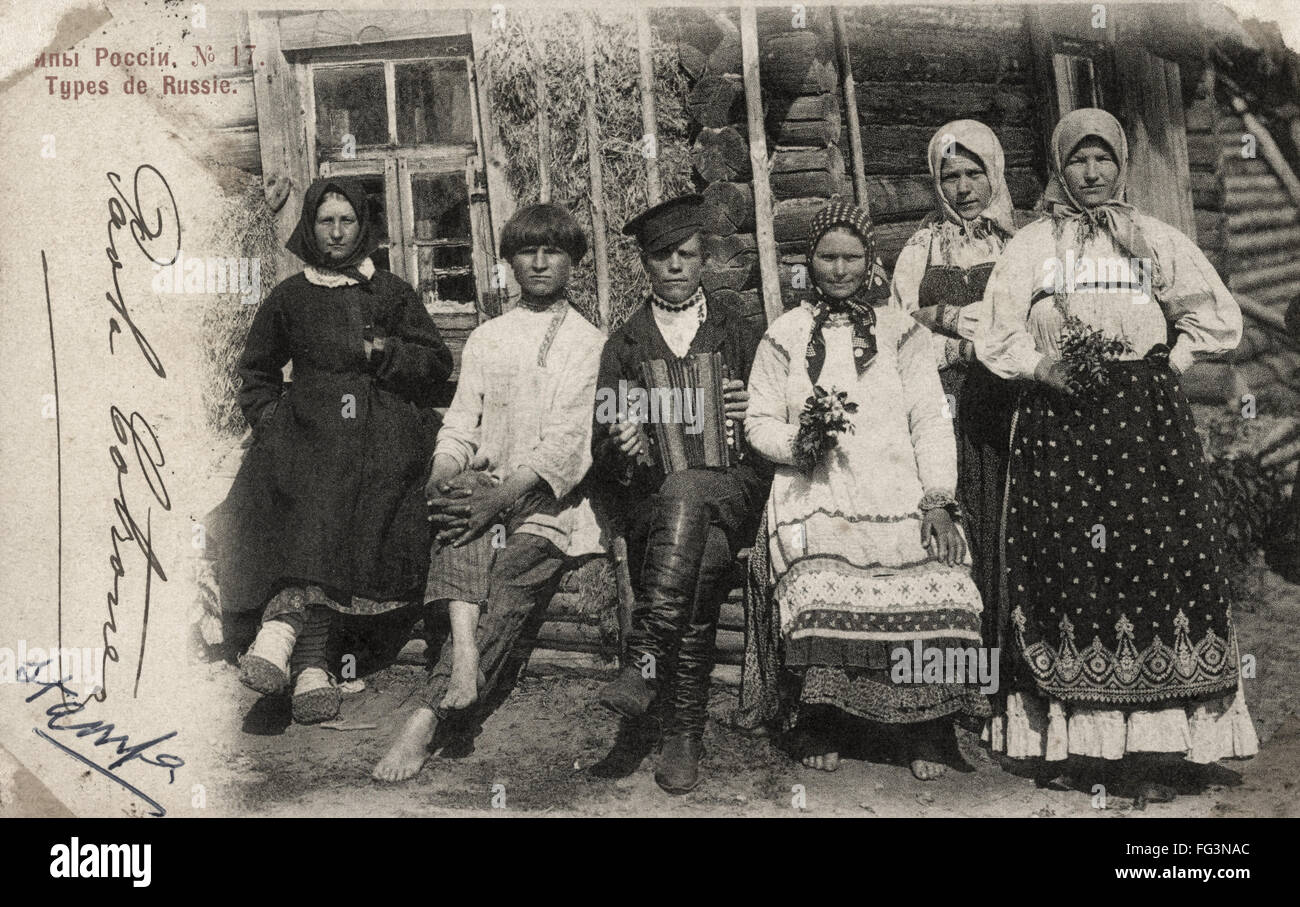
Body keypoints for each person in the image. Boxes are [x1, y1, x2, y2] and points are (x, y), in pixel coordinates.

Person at [976, 108, 1258, 796]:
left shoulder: (1151, 238)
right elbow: (995, 331)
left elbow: (1217, 314)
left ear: (1121, 164)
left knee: (1153, 569)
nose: (1092, 173)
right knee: (1069, 573)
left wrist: (1171, 360)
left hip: (1146, 431)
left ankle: (1155, 750)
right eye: (1079, 161)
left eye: (1104, 159)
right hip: (1060, 428)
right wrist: (1043, 369)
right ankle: (1080, 745)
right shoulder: (1032, 245)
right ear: (1060, 167)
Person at [742, 198, 990, 780]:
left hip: (897, 488)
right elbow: (757, 422)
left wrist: (936, 499)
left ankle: (926, 723)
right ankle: (823, 719)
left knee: (943, 576)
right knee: (820, 578)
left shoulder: (901, 333)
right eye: (827, 257)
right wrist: (798, 443)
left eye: (851, 257)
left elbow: (931, 419)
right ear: (809, 262)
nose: (839, 269)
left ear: (869, 261)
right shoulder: (784, 334)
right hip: (814, 487)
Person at [372, 203, 605, 782]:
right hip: (487, 491)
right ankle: (465, 659)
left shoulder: (590, 343)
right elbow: (460, 425)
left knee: (506, 578)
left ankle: (424, 721)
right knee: (460, 507)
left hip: (550, 502)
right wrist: (442, 476)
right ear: (509, 261)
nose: (541, 262)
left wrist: (498, 501)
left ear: (573, 260)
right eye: (528, 251)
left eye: (554, 251)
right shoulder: (486, 337)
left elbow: (567, 447)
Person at [223, 177, 453, 723]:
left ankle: (285, 639)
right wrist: (272, 419)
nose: (336, 231)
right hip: (307, 427)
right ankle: (309, 666)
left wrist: (388, 352)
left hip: (382, 432)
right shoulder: (290, 297)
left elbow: (438, 366)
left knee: (337, 484)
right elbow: (255, 371)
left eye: (347, 220)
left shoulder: (392, 291)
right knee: (298, 480)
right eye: (326, 220)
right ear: (310, 225)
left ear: (363, 226)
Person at [592, 194, 767, 794]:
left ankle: (642, 660)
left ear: (703, 259)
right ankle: (683, 733)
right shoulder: (626, 343)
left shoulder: (738, 331)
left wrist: (754, 412)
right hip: (654, 505)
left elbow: (777, 424)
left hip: (733, 488)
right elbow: (602, 448)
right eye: (661, 256)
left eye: (685, 255)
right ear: (644, 263)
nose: (674, 267)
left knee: (693, 486)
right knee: (706, 557)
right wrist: (621, 438)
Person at [889, 119, 1020, 631]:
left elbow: (1023, 327)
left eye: (974, 173)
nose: (963, 189)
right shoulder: (921, 247)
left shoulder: (1019, 245)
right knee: (956, 521)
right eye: (950, 177)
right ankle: (962, 668)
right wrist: (956, 336)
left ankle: (1009, 667)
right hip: (941, 404)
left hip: (1008, 400)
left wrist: (939, 318)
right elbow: (902, 328)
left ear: (995, 173)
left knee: (1008, 523)